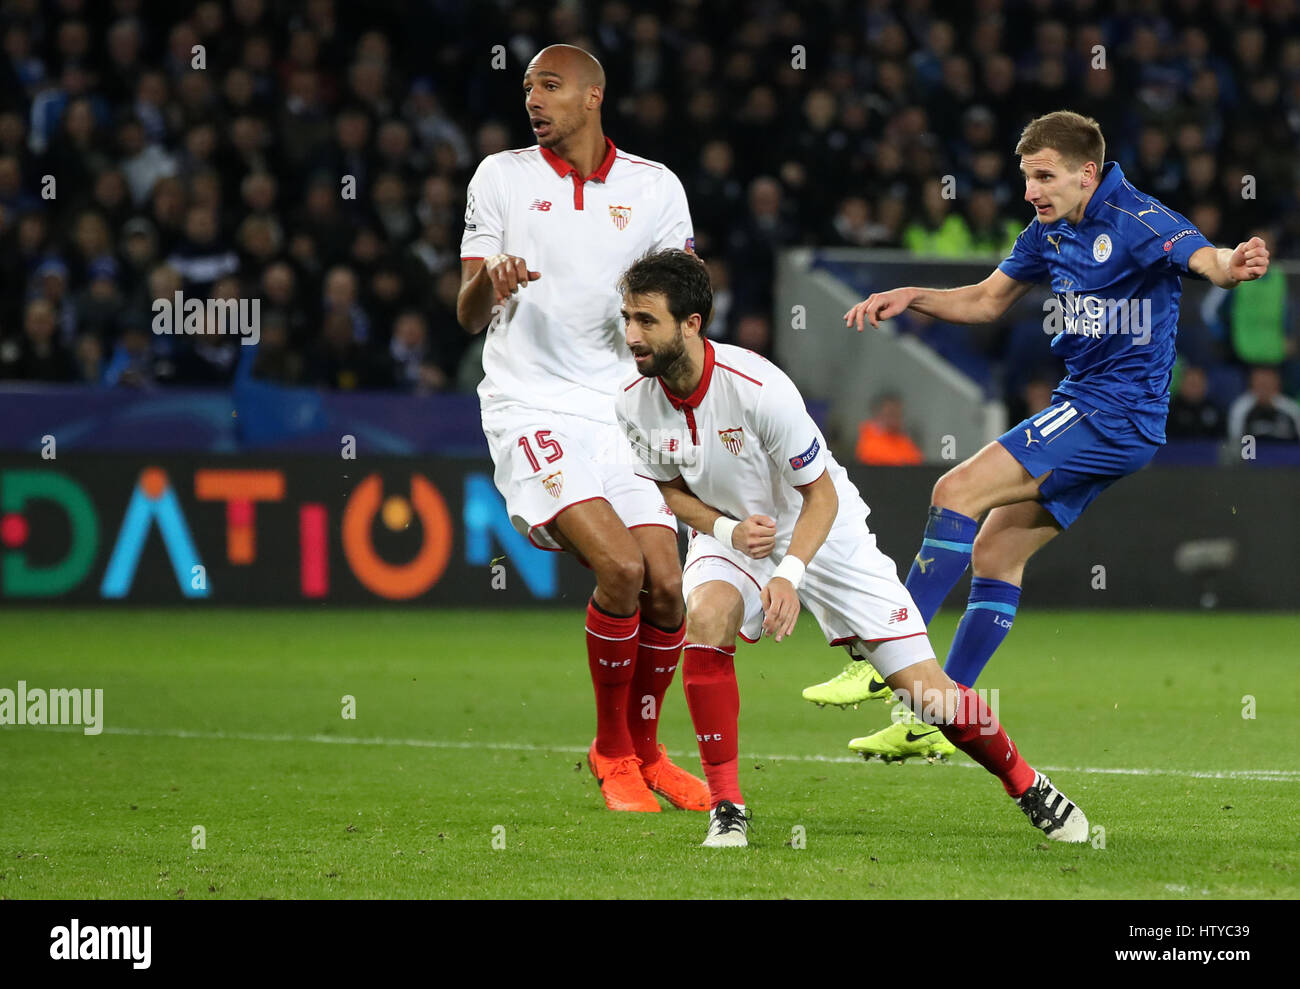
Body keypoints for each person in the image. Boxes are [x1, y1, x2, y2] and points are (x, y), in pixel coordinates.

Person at [615, 248, 1089, 847]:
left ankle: (1027, 784)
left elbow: (820, 498)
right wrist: (725, 530)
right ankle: (727, 805)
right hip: (734, 534)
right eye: (627, 318)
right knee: (706, 616)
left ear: (691, 323)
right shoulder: (633, 401)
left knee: (927, 694)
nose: (632, 334)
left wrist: (788, 572)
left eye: (646, 320)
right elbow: (667, 489)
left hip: (824, 532)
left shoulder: (760, 389)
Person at [832, 110, 1270, 759]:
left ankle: (887, 650)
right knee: (997, 554)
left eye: (1045, 176)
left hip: (1112, 410)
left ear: (1087, 173)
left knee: (956, 490)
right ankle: (937, 717)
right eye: (1026, 176)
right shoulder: (1048, 231)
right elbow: (985, 300)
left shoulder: (1140, 220)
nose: (1032, 189)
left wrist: (1234, 262)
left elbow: (1206, 259)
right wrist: (912, 293)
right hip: (1101, 412)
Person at [456, 45, 708, 813]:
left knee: (668, 584)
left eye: (551, 86)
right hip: (532, 406)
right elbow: (467, 316)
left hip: (626, 409)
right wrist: (487, 282)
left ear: (594, 97)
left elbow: (683, 302)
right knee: (620, 569)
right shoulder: (500, 177)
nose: (534, 98)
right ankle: (610, 752)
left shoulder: (655, 187)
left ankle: (648, 747)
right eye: (529, 86)